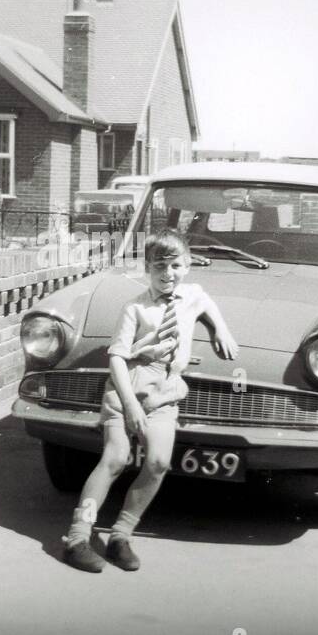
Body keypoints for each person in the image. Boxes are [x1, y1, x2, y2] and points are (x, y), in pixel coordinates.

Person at [62, 228, 238, 572]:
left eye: (174, 266)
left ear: (186, 266)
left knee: (158, 462)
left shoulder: (192, 294)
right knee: (115, 458)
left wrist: (221, 328)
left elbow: (206, 303)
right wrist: (129, 407)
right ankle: (77, 537)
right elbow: (116, 358)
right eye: (159, 266)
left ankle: (120, 536)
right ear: (147, 268)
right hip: (128, 385)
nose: (167, 274)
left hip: (166, 389)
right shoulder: (136, 308)